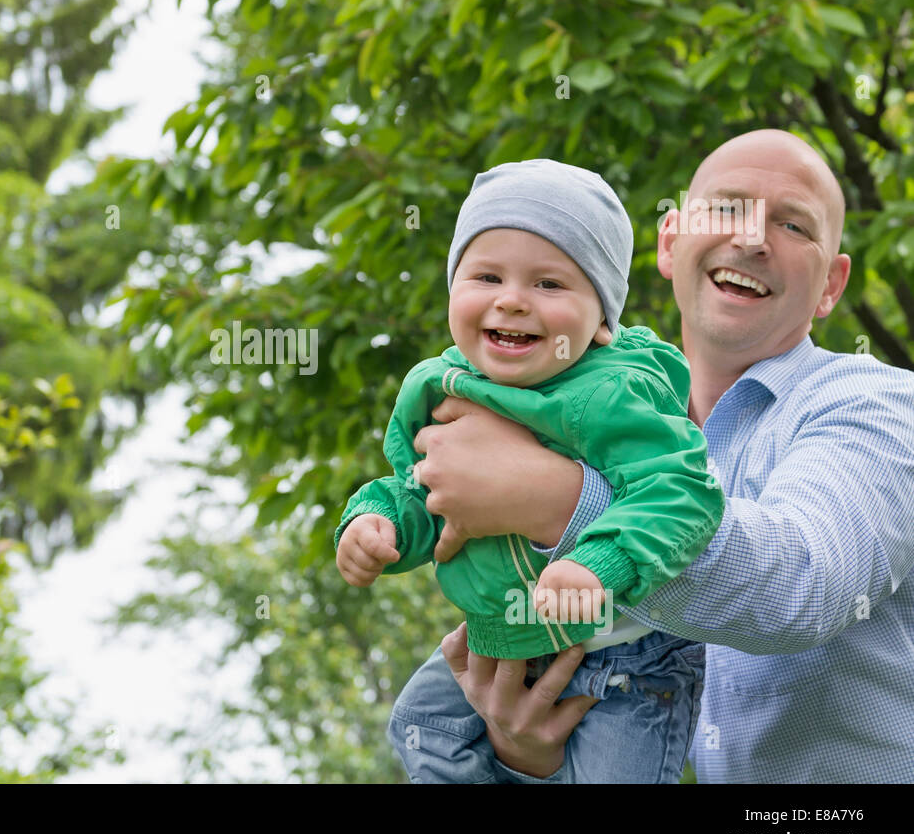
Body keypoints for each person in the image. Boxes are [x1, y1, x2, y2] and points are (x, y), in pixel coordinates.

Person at [392, 129, 914, 782]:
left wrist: (556, 501)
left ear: (833, 284)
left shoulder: (880, 402)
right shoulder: (599, 416)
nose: (751, 238)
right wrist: (529, 758)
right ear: (670, 242)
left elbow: (806, 582)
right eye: (724, 208)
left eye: (792, 224)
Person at [334, 159, 723, 782]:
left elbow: (683, 492)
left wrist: (600, 562)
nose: (512, 300)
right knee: (422, 724)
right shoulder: (447, 389)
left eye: (549, 284)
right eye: (486, 275)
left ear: (601, 322)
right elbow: (420, 492)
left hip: (623, 657)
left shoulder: (612, 394)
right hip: (496, 641)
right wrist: (377, 522)